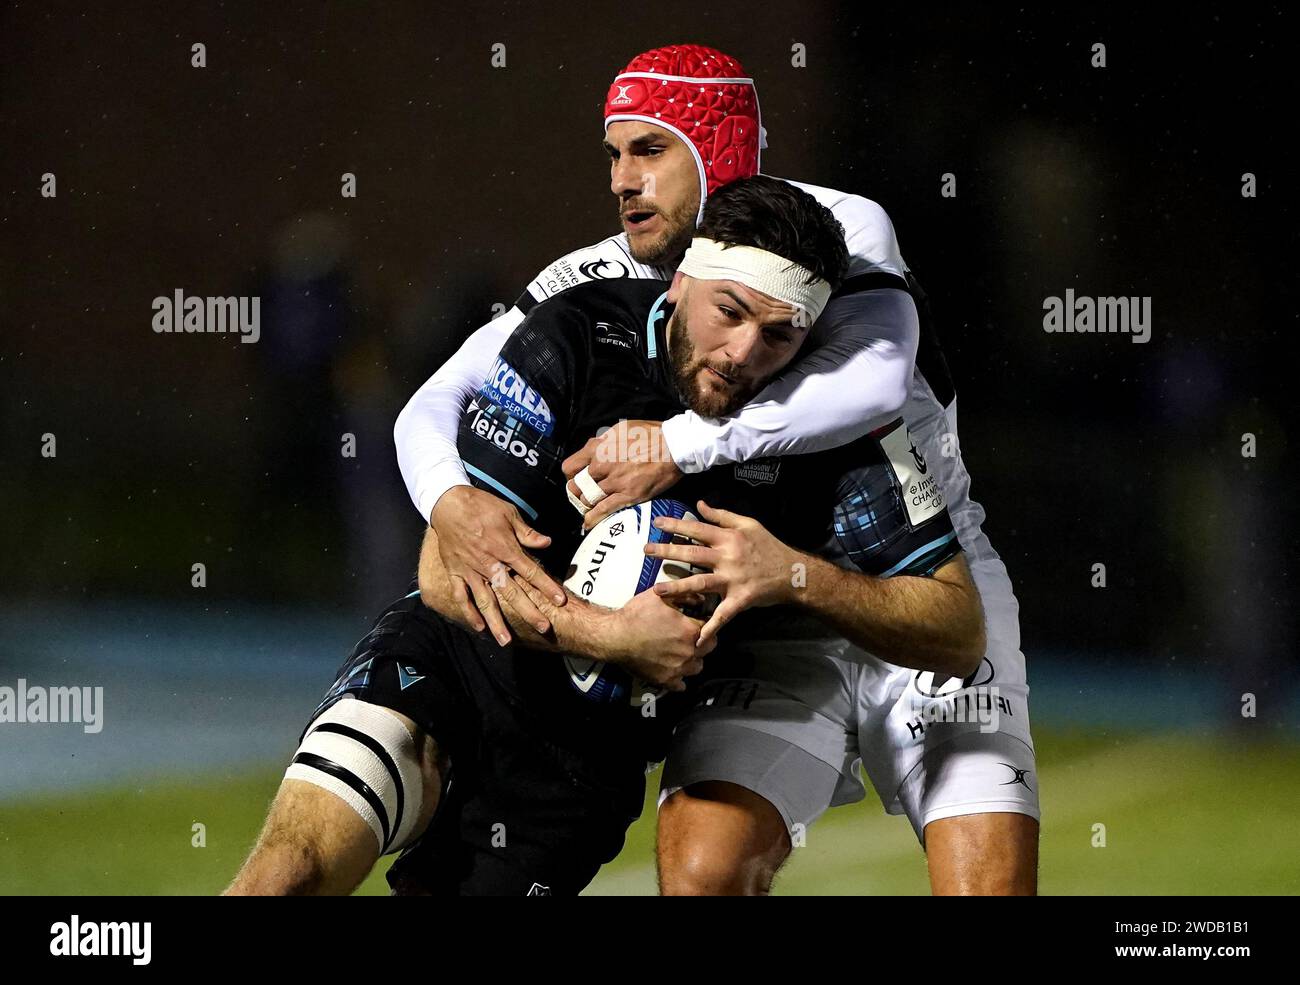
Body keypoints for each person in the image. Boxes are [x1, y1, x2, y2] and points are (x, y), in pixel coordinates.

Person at [393, 43, 1039, 894]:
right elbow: (427, 406)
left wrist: (676, 447)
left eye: (651, 149)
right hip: (759, 609)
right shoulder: (595, 281)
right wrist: (451, 503)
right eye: (614, 153)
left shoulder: (837, 229)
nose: (623, 179)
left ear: (719, 146)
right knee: (701, 876)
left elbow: (875, 383)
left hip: (916, 572)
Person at [227, 176, 880, 895]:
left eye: (780, 335)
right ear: (689, 272)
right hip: (451, 665)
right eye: (729, 311)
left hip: (577, 766)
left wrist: (796, 576)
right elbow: (446, 576)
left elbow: (949, 618)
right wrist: (610, 636)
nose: (742, 352)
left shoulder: (820, 429)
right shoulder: (578, 333)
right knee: (287, 876)